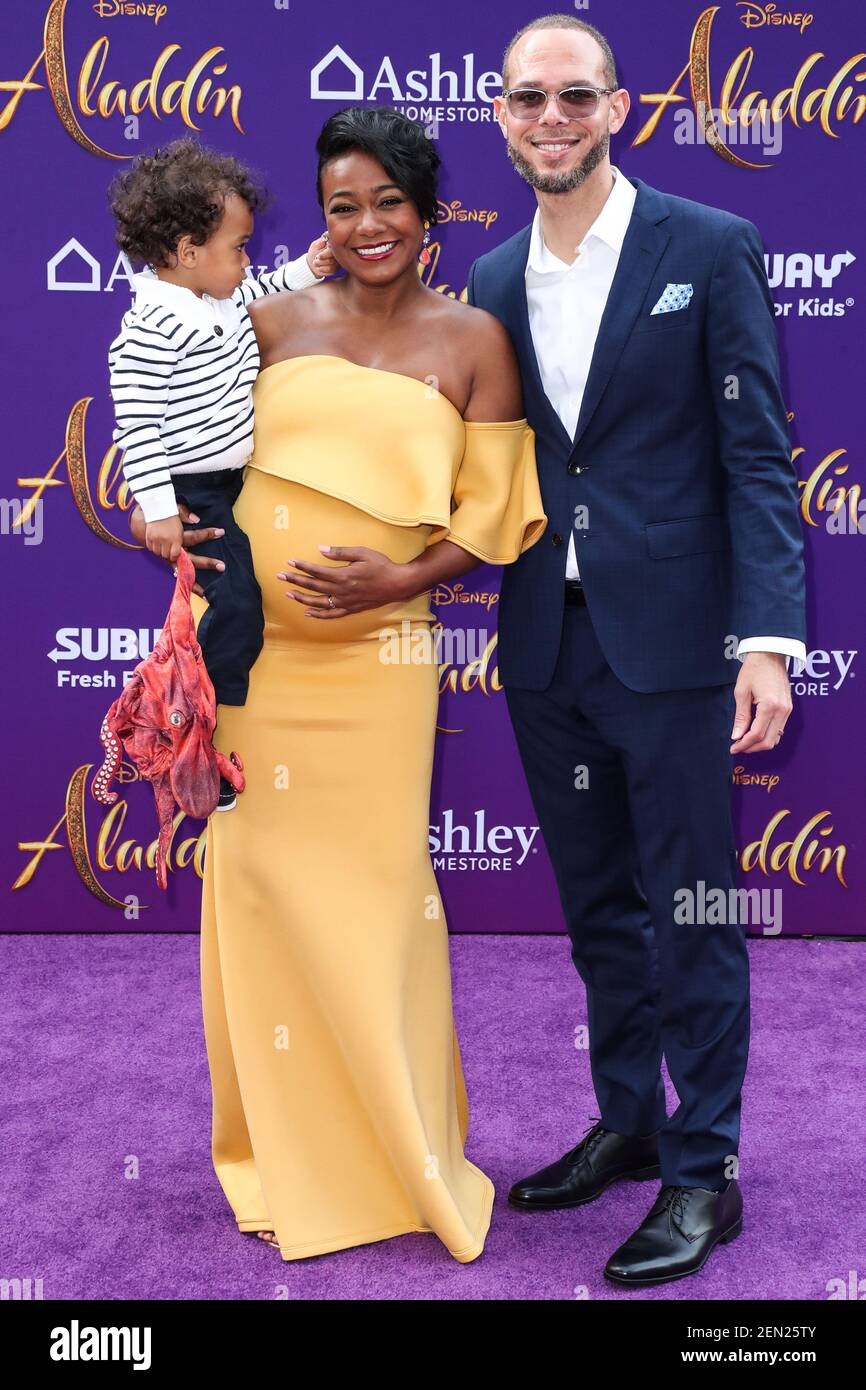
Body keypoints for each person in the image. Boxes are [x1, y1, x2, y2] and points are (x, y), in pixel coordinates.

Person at [128, 106, 546, 1263]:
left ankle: (401, 1156)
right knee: (257, 892)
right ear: (321, 220)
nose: (366, 226)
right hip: (252, 665)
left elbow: (497, 518)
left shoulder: (473, 341)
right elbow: (166, 417)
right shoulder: (258, 320)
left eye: (386, 203)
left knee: (381, 899)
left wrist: (400, 576)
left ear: (426, 211)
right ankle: (284, 1154)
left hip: (382, 668)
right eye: (341, 207)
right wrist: (152, 510)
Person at [467, 14, 806, 1286]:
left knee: (695, 915)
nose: (547, 117)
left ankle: (703, 1172)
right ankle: (627, 1119)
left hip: (673, 651)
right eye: (522, 99)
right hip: (545, 649)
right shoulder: (489, 281)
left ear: (620, 109)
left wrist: (764, 641)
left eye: (572, 96)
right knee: (599, 911)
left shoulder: (707, 246)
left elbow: (757, 457)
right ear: (498, 117)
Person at [108, 137, 336, 810]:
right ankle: (179, 727)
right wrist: (155, 509)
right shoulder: (151, 327)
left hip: (233, 485)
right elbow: (137, 427)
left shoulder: (217, 297)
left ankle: (186, 721)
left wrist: (304, 270)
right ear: (185, 252)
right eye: (238, 247)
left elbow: (256, 291)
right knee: (238, 611)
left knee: (235, 610)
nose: (247, 261)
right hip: (192, 492)